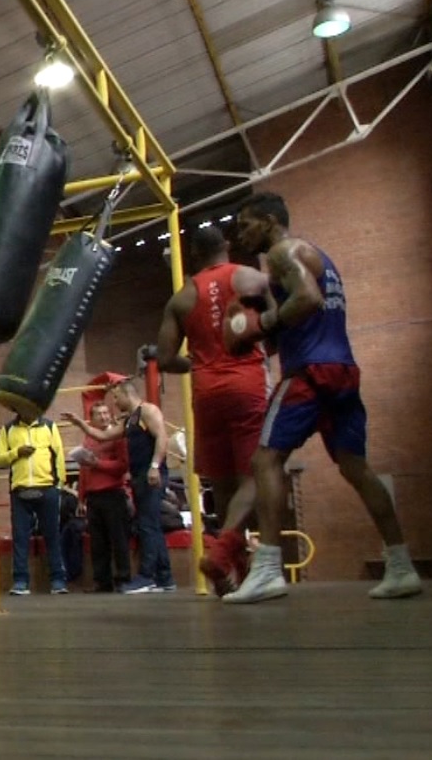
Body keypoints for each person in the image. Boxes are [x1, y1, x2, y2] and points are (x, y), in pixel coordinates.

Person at [222, 192, 422, 603]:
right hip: (342, 369)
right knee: (355, 467)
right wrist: (262, 333)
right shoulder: (318, 256)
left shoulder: (282, 252)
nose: (241, 235)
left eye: (246, 225)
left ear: (270, 220)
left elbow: (308, 299)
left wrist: (263, 323)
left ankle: (267, 570)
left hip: (310, 373)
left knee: (265, 460)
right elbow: (307, 314)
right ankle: (402, 566)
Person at [154, 225, 271, 595]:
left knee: (221, 483)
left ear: (193, 255)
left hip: (206, 391)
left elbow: (165, 358)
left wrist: (199, 363)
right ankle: (224, 552)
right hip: (247, 383)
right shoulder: (249, 276)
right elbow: (278, 321)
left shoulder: (182, 297)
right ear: (227, 245)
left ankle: (233, 574)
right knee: (260, 473)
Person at [64, 378, 176, 594]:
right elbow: (103, 435)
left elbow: (162, 436)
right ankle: (165, 577)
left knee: (147, 525)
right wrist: (80, 423)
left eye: (116, 397)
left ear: (126, 394)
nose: (114, 403)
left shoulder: (147, 411)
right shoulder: (129, 420)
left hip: (150, 474)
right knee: (151, 524)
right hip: (139, 475)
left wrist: (154, 466)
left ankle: (147, 576)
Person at [0, 409, 68, 596]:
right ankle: (20, 581)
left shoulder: (49, 426)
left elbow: (59, 456)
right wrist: (16, 453)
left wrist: (58, 486)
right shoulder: (8, 429)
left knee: (52, 536)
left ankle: (58, 580)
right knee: (20, 538)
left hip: (47, 488)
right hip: (20, 490)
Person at [68, 402, 131, 592]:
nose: (104, 417)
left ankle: (123, 579)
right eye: (99, 414)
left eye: (106, 413)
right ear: (92, 419)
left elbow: (123, 465)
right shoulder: (88, 440)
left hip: (113, 493)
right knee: (98, 542)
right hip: (94, 497)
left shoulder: (118, 436)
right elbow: (83, 471)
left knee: (118, 539)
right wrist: (81, 498)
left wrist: (98, 464)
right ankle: (102, 581)